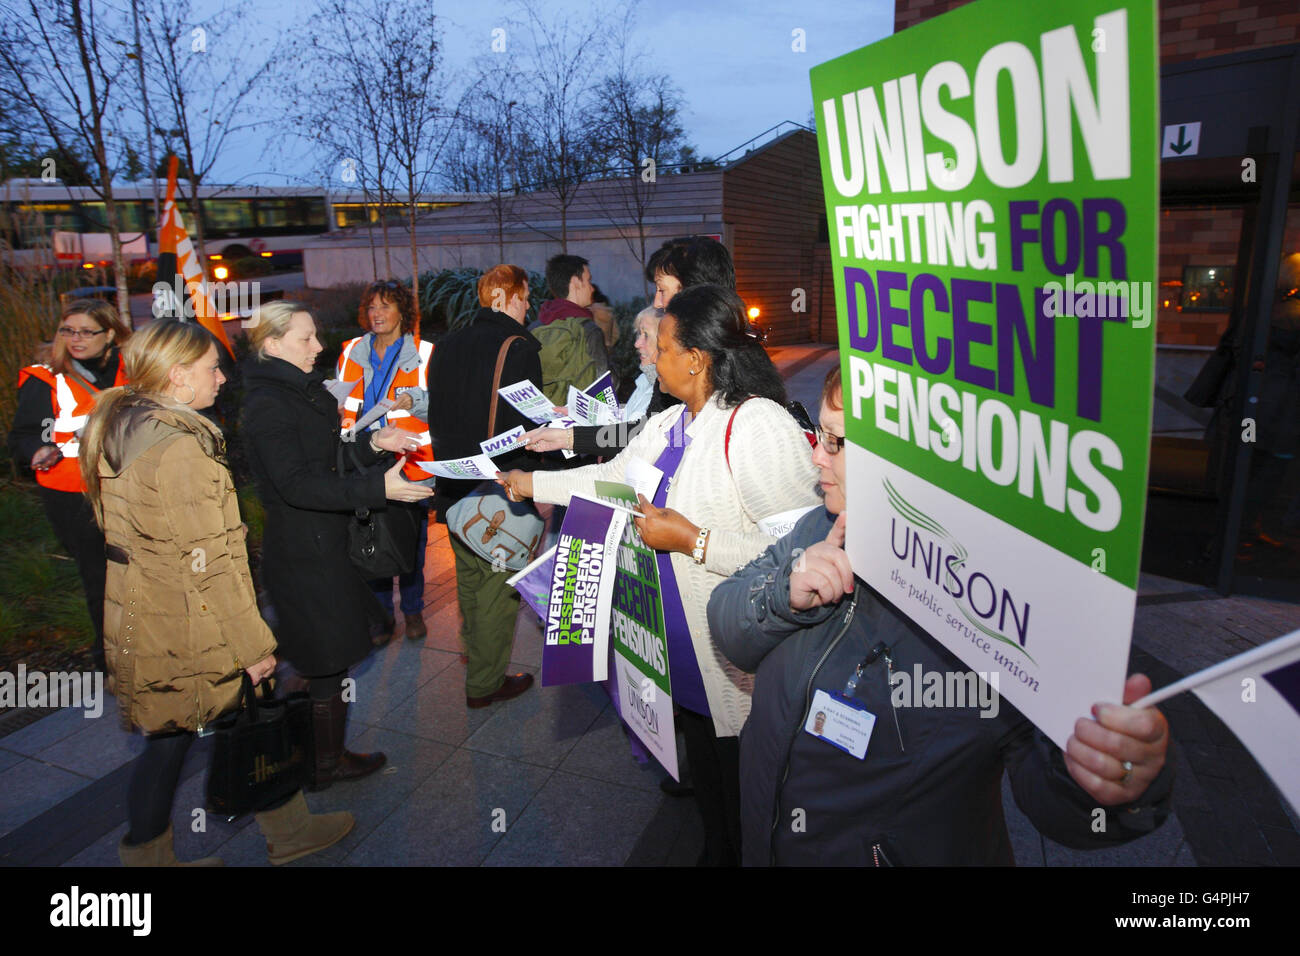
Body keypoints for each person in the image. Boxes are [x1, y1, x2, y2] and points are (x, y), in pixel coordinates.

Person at [706, 367, 1174, 866]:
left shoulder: (987, 603)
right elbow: (727, 621)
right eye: (818, 433)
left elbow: (1057, 804)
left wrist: (1114, 780)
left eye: (836, 441)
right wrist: (783, 594)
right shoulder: (819, 525)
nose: (816, 455)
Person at [498, 284, 820, 865]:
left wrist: (693, 541)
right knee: (709, 776)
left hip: (733, 660)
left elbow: (798, 557)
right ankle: (717, 846)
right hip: (680, 651)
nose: (650, 356)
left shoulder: (756, 425)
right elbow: (611, 481)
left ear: (696, 358)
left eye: (663, 346)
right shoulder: (669, 424)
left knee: (747, 782)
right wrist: (530, 482)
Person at [79, 319, 354, 866]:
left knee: (184, 735)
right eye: (211, 368)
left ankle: (274, 830)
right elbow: (212, 562)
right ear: (178, 376)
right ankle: (283, 833)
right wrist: (254, 648)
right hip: (190, 621)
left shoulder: (122, 423)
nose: (223, 377)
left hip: (148, 613)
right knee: (202, 730)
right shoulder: (179, 449)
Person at [240, 302, 432, 790]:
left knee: (337, 648)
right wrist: (377, 490)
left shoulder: (296, 393)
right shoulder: (268, 405)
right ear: (272, 345)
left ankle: (320, 750)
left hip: (325, 545)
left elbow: (328, 459)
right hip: (305, 555)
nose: (319, 347)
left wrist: (374, 444)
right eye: (305, 339)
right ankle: (326, 764)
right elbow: (298, 485)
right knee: (326, 660)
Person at [427, 264, 542, 708]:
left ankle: (476, 661)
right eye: (525, 296)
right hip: (499, 489)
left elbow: (439, 411)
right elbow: (523, 425)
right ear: (507, 297)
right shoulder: (516, 346)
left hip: (454, 487)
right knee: (498, 590)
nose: (528, 305)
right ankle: (485, 683)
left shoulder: (446, 344)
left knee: (471, 583)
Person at [523, 236, 735, 458]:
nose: (657, 303)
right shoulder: (689, 369)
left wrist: (570, 438)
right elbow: (649, 432)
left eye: (662, 290)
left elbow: (648, 436)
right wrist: (572, 435)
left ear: (696, 292)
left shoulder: (737, 393)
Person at [8, 298, 132, 673]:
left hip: (131, 486)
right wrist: (37, 450)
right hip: (73, 494)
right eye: (68, 330)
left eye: (85, 332)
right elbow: (22, 435)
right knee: (102, 578)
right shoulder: (45, 377)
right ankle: (112, 661)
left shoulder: (135, 367)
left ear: (110, 333)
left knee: (142, 574)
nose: (74, 339)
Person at [334, 279, 435, 645]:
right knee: (369, 540)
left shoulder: (425, 353)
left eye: (386, 306)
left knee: (411, 547)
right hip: (363, 462)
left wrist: (417, 402)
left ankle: (412, 611)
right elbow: (341, 404)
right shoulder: (349, 353)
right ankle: (381, 617)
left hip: (410, 464)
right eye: (372, 307)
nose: (377, 314)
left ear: (402, 313)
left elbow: (439, 406)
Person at [533, 253, 609, 405]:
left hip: (545, 420)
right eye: (589, 281)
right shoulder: (588, 329)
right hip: (579, 421)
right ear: (576, 282)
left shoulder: (535, 327)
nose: (592, 288)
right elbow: (603, 384)